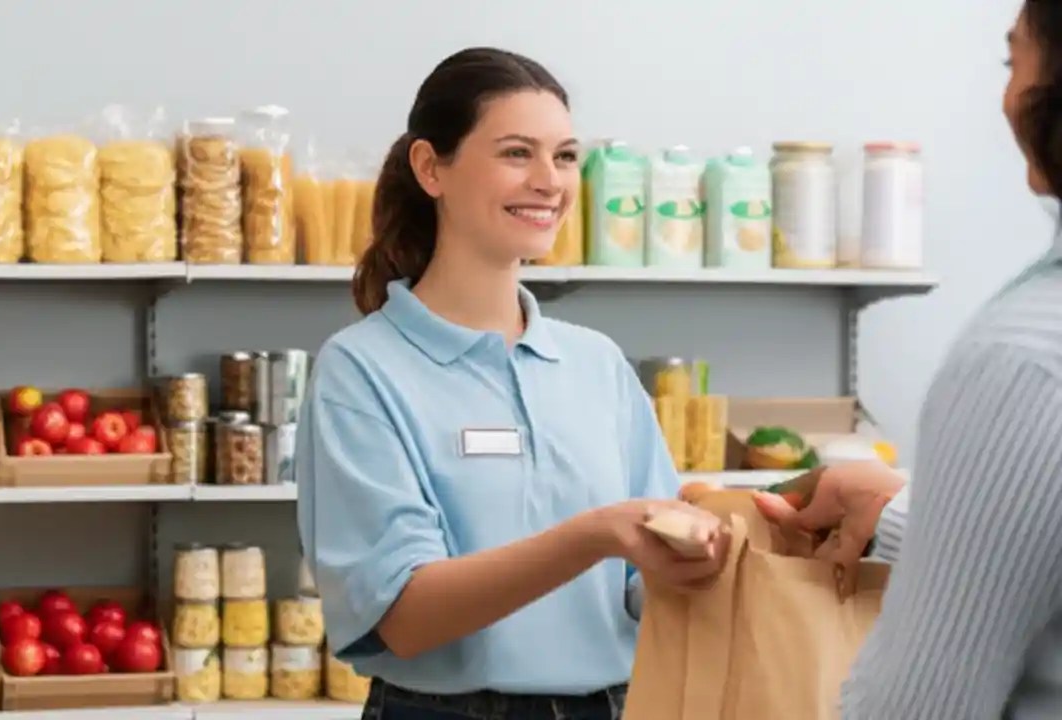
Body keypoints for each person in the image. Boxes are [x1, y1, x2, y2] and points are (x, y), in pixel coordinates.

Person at [294, 47, 729, 719]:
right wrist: (596, 534)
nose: (549, 181)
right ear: (430, 167)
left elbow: (644, 581)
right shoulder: (361, 370)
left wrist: (729, 544)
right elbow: (404, 617)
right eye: (517, 153)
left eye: (563, 156)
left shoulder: (596, 364)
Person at [756, 3, 1062, 717]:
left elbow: (921, 704)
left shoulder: (1022, 359)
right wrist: (896, 510)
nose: (1007, 92)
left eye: (1013, 61)